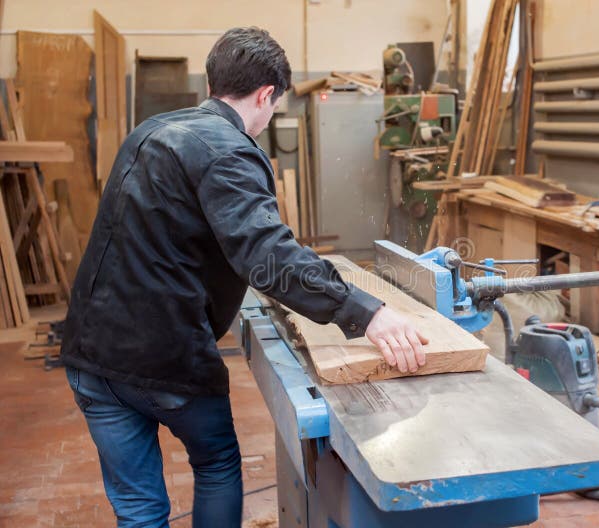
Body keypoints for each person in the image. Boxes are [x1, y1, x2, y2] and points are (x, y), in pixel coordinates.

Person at [61, 26, 427, 528]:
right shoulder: (229, 150)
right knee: (215, 464)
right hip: (164, 358)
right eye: (274, 104)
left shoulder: (151, 130)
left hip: (91, 354)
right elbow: (267, 257)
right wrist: (369, 312)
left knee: (139, 509)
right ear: (264, 95)